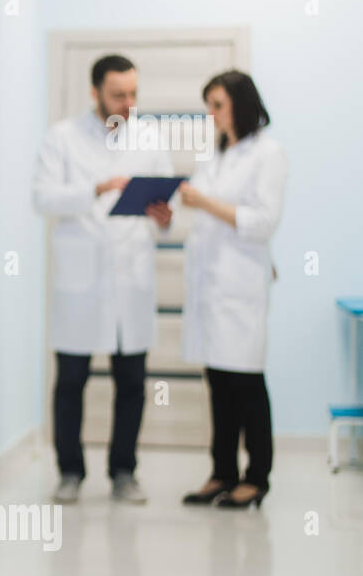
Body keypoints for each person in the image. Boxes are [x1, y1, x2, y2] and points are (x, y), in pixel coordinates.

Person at [33, 54, 174, 504]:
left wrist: (163, 216)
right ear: (95, 93)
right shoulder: (62, 137)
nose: (128, 102)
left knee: (132, 382)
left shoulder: (150, 137)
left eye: (133, 93)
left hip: (130, 275)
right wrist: (95, 188)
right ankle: (70, 471)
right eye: (118, 94)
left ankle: (123, 471)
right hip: (82, 276)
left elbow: (163, 211)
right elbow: (43, 199)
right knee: (71, 380)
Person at [179, 71, 287, 509]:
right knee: (218, 381)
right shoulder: (216, 153)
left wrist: (203, 202)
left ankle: (256, 476)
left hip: (241, 283)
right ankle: (221, 472)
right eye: (209, 105)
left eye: (217, 104)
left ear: (241, 104)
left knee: (246, 383)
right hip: (211, 283)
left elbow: (263, 221)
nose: (212, 113)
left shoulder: (268, 153)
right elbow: (201, 205)